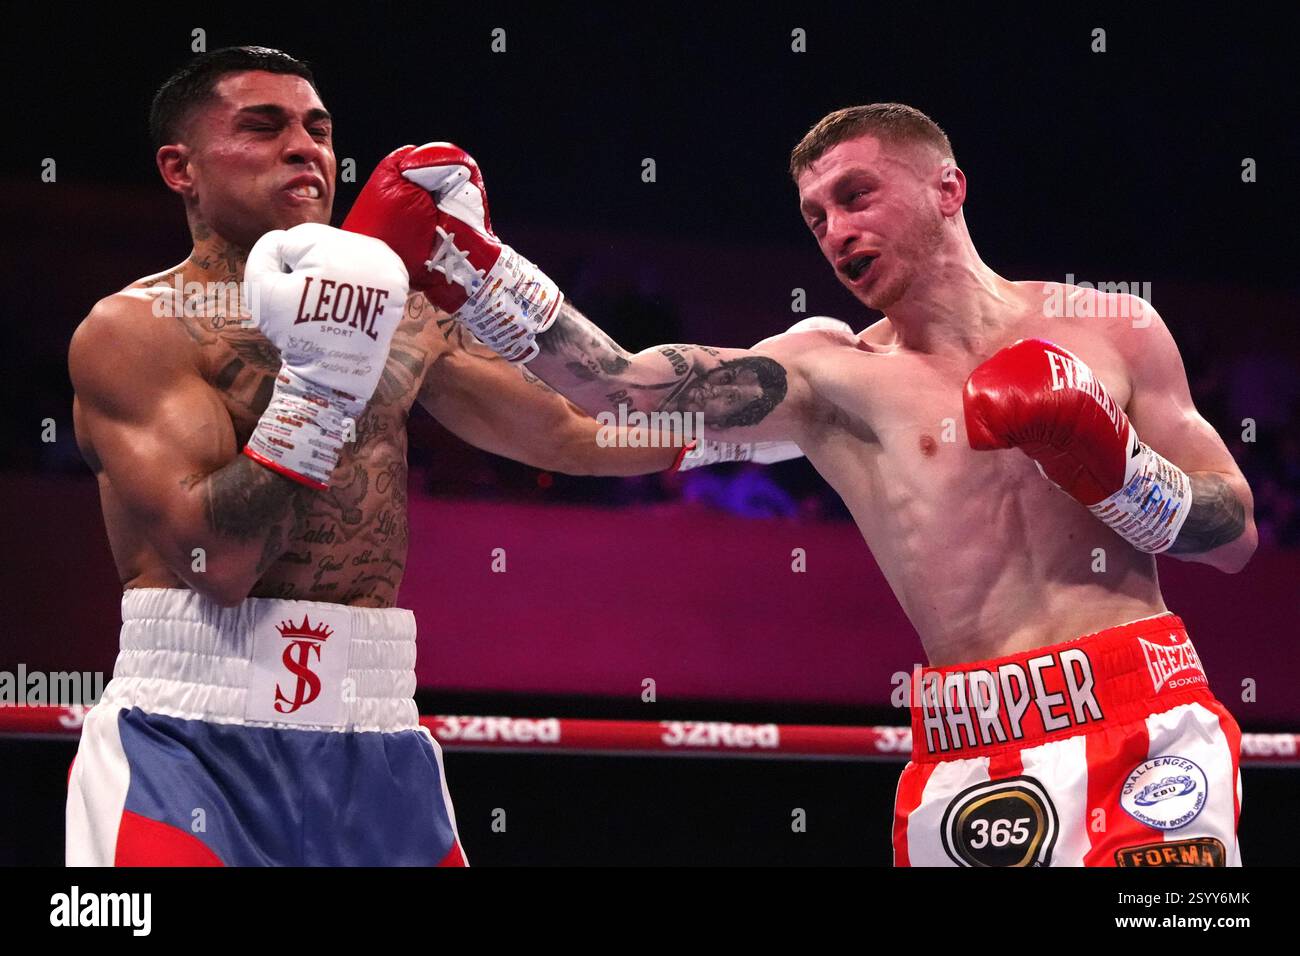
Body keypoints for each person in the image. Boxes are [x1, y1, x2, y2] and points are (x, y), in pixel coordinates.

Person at [355, 104, 1256, 866]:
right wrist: (477, 268)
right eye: (815, 216)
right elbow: (619, 387)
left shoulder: (1112, 328)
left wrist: (1121, 472)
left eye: (856, 196)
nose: (835, 230)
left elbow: (1235, 537)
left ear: (949, 189)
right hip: (968, 747)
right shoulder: (828, 377)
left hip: (1145, 717)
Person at [63, 45, 785, 867]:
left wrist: (790, 426)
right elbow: (217, 560)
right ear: (178, 167)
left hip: (374, 727)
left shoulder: (403, 311)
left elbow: (573, 434)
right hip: (189, 735)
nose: (304, 148)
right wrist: (325, 380)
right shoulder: (134, 330)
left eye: (317, 129)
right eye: (262, 128)